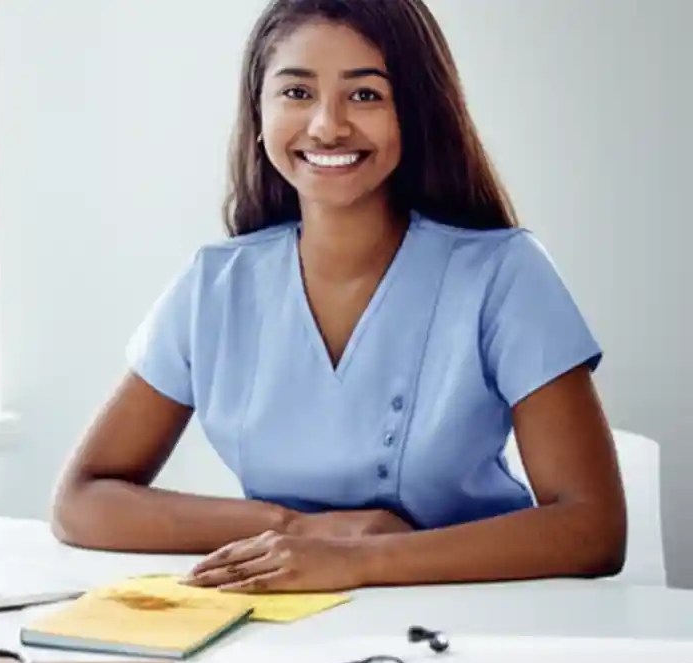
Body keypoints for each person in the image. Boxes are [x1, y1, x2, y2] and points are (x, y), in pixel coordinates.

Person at [50, 0, 626, 593]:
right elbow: (81, 500)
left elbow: (593, 528)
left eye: (366, 94)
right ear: (259, 110)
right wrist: (295, 528)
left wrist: (359, 561)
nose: (327, 126)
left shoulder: (504, 273)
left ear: (415, 110)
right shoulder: (215, 285)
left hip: (485, 615)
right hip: (289, 618)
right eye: (297, 93)